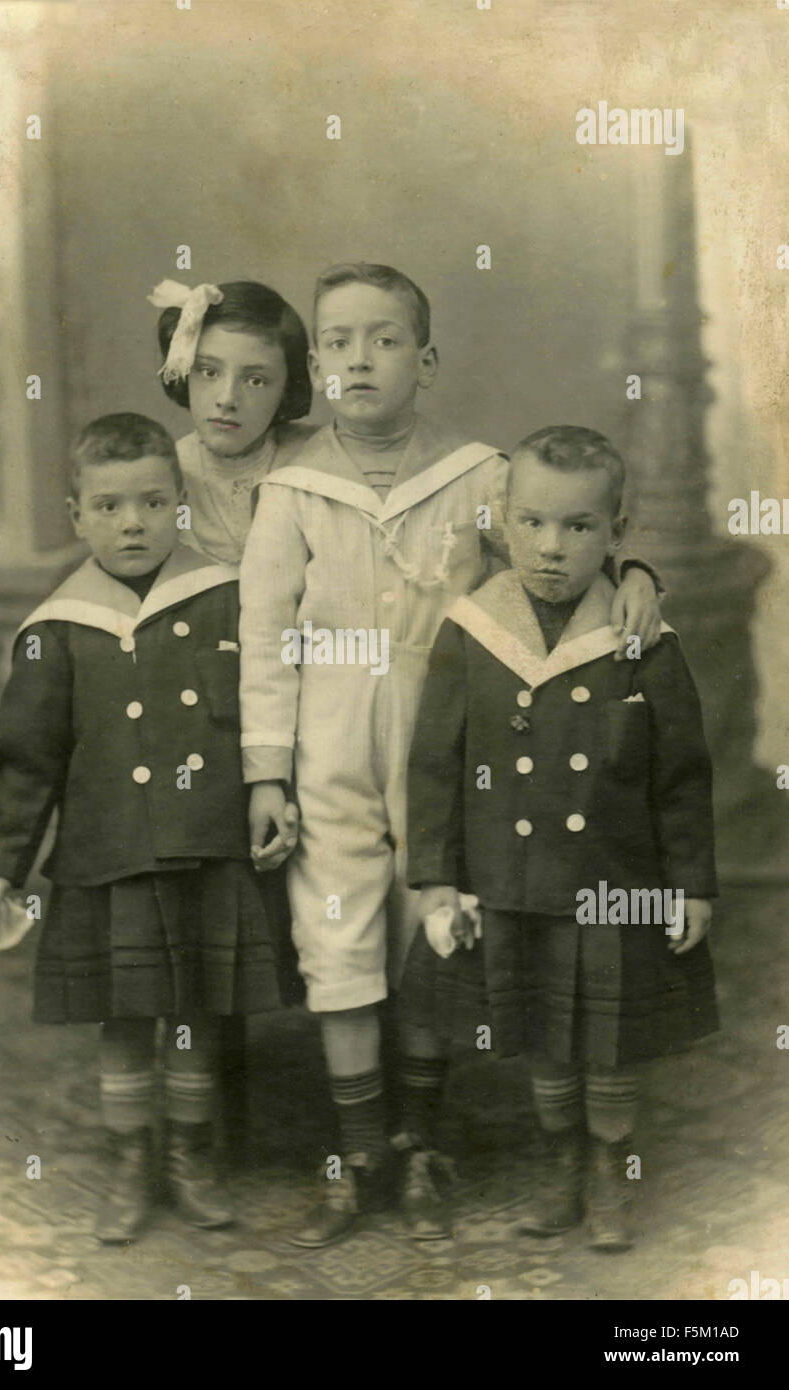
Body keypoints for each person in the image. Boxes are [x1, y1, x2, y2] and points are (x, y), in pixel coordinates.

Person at [238, 263, 665, 1246]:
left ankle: (419, 1138)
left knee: (435, 929)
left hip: (455, 736)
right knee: (338, 939)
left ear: (423, 360)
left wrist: (631, 567)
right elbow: (263, 635)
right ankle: (361, 1152)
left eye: (383, 340)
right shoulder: (291, 490)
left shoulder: (477, 473)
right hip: (328, 737)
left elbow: (564, 523)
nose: (358, 359)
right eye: (337, 342)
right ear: (314, 362)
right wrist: (267, 771)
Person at [0, 412, 300, 1244]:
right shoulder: (57, 629)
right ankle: (133, 1162)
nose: (131, 522)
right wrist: (2, 869)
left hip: (205, 851)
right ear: (76, 515)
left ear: (181, 505)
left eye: (151, 502)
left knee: (196, 1014)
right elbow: (27, 763)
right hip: (110, 861)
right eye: (108, 506)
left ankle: (191, 1159)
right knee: (126, 1021)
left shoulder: (227, 598)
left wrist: (276, 789)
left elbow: (268, 709)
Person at [400, 425, 718, 1251]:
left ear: (617, 532)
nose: (551, 548)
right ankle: (563, 1162)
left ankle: (612, 1166)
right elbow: (435, 764)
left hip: (613, 882)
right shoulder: (472, 629)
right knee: (543, 1032)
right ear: (502, 522)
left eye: (579, 528)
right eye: (533, 523)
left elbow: (681, 775)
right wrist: (437, 879)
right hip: (512, 884)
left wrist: (691, 884)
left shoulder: (639, 637)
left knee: (607, 1040)